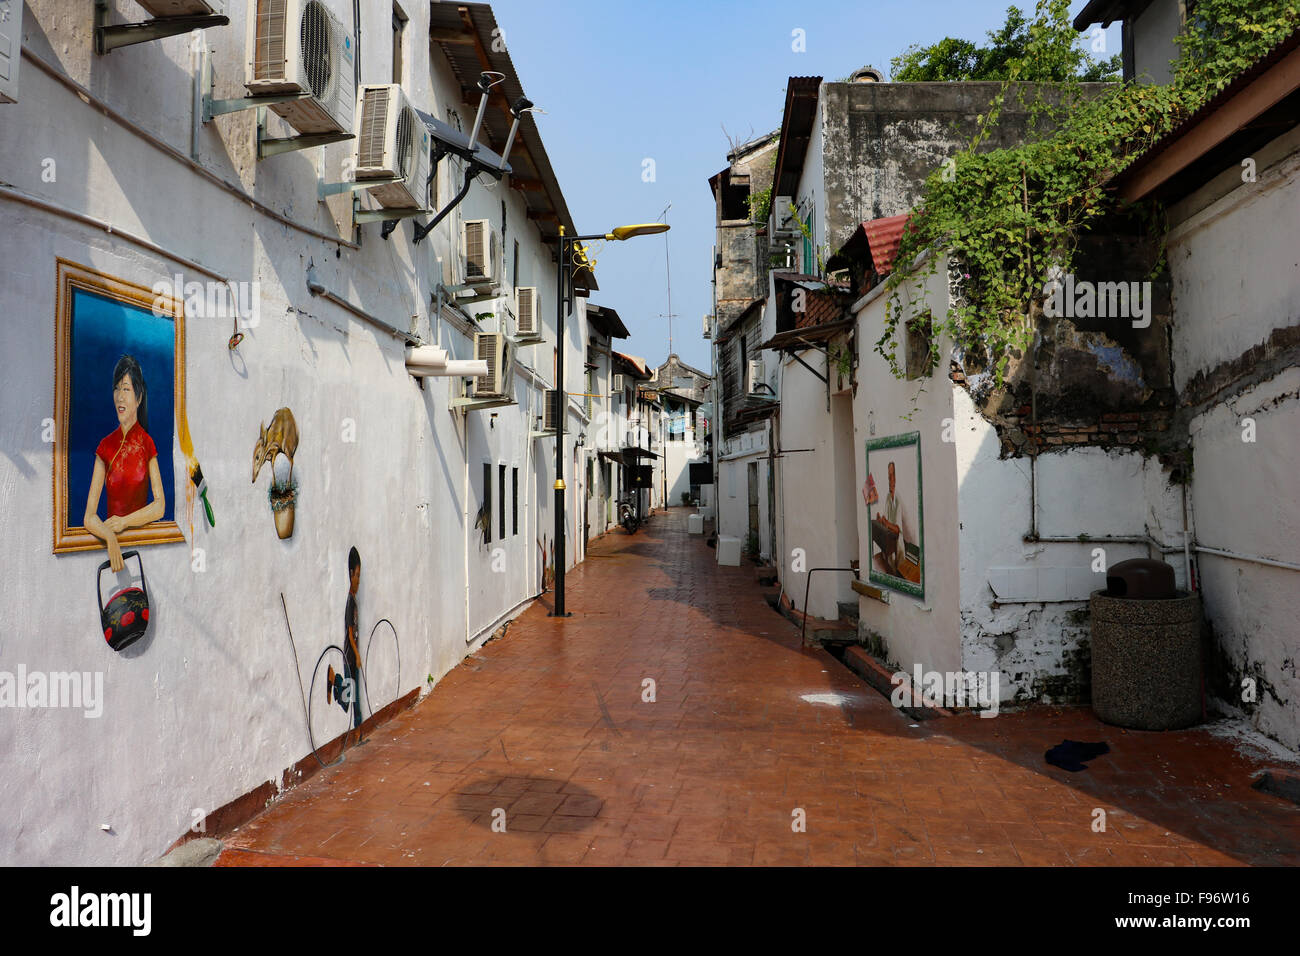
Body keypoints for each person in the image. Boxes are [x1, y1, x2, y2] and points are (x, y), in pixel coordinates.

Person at [84, 355, 166, 572]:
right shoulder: (105, 447)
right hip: (113, 553)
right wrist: (110, 536)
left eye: (126, 389)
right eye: (117, 388)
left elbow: (160, 506)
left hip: (145, 549)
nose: (119, 396)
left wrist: (124, 522)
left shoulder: (147, 444)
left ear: (139, 397)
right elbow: (89, 517)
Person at [328, 547, 364, 741]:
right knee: (350, 698)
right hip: (350, 655)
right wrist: (357, 655)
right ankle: (334, 679)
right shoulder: (350, 602)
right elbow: (350, 633)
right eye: (357, 575)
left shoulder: (354, 600)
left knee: (353, 698)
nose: (358, 580)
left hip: (353, 654)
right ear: (351, 574)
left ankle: (359, 732)